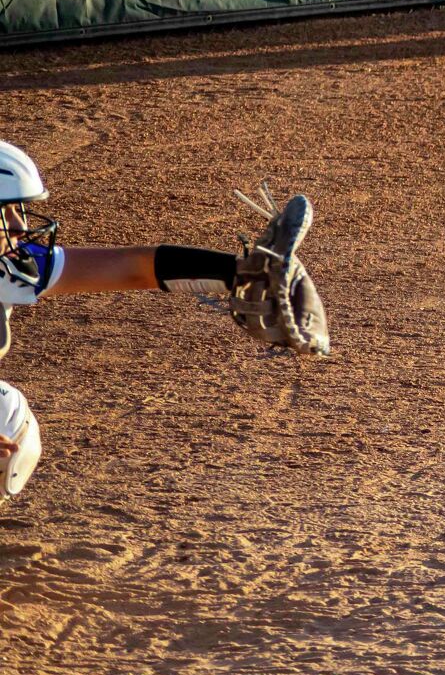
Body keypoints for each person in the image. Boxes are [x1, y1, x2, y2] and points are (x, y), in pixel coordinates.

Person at [1, 142, 329, 499]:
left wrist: (236, 274)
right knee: (7, 415)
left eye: (18, 209)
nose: (19, 225)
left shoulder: (13, 264)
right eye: (4, 211)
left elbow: (131, 268)